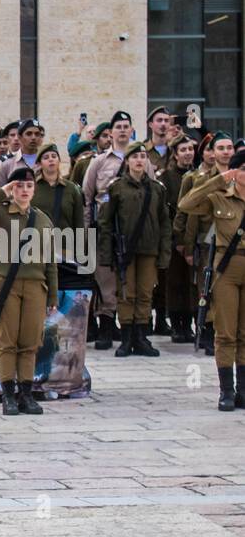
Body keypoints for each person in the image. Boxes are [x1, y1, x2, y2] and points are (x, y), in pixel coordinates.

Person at [0, 167, 58, 415]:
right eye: (18, 186)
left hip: (36, 285)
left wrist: (53, 295)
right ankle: (7, 394)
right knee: (9, 342)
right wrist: (1, 192)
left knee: (30, 342)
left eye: (28, 186)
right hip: (8, 285)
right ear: (11, 188)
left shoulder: (43, 219)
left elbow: (50, 261)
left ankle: (26, 393)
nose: (24, 190)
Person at [178, 150, 245, 410]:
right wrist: (218, 180)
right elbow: (186, 204)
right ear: (235, 172)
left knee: (244, 333)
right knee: (226, 332)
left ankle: (242, 391)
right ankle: (226, 391)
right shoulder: (219, 197)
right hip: (226, 270)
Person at [97, 143, 171, 358]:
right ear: (127, 161)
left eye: (142, 156)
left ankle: (141, 335)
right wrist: (106, 254)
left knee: (146, 293)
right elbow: (105, 222)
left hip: (149, 249)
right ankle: (127, 335)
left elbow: (164, 223)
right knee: (126, 293)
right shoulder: (116, 187)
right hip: (124, 251)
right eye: (134, 157)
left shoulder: (157, 188)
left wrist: (164, 253)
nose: (139, 160)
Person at [83, 111, 137, 349]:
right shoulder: (100, 162)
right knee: (104, 277)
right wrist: (85, 231)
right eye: (118, 127)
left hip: (132, 228)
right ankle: (105, 326)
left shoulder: (141, 159)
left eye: (126, 126)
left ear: (132, 130)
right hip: (104, 226)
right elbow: (87, 196)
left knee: (129, 280)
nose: (123, 130)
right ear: (111, 132)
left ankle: (129, 328)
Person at [159, 134, 198, 343]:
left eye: (190, 149)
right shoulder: (166, 177)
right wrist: (176, 238)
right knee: (174, 282)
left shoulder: (198, 175)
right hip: (174, 237)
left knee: (191, 283)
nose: (187, 153)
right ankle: (176, 325)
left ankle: (189, 325)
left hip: (194, 237)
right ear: (175, 154)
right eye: (182, 150)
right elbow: (165, 211)